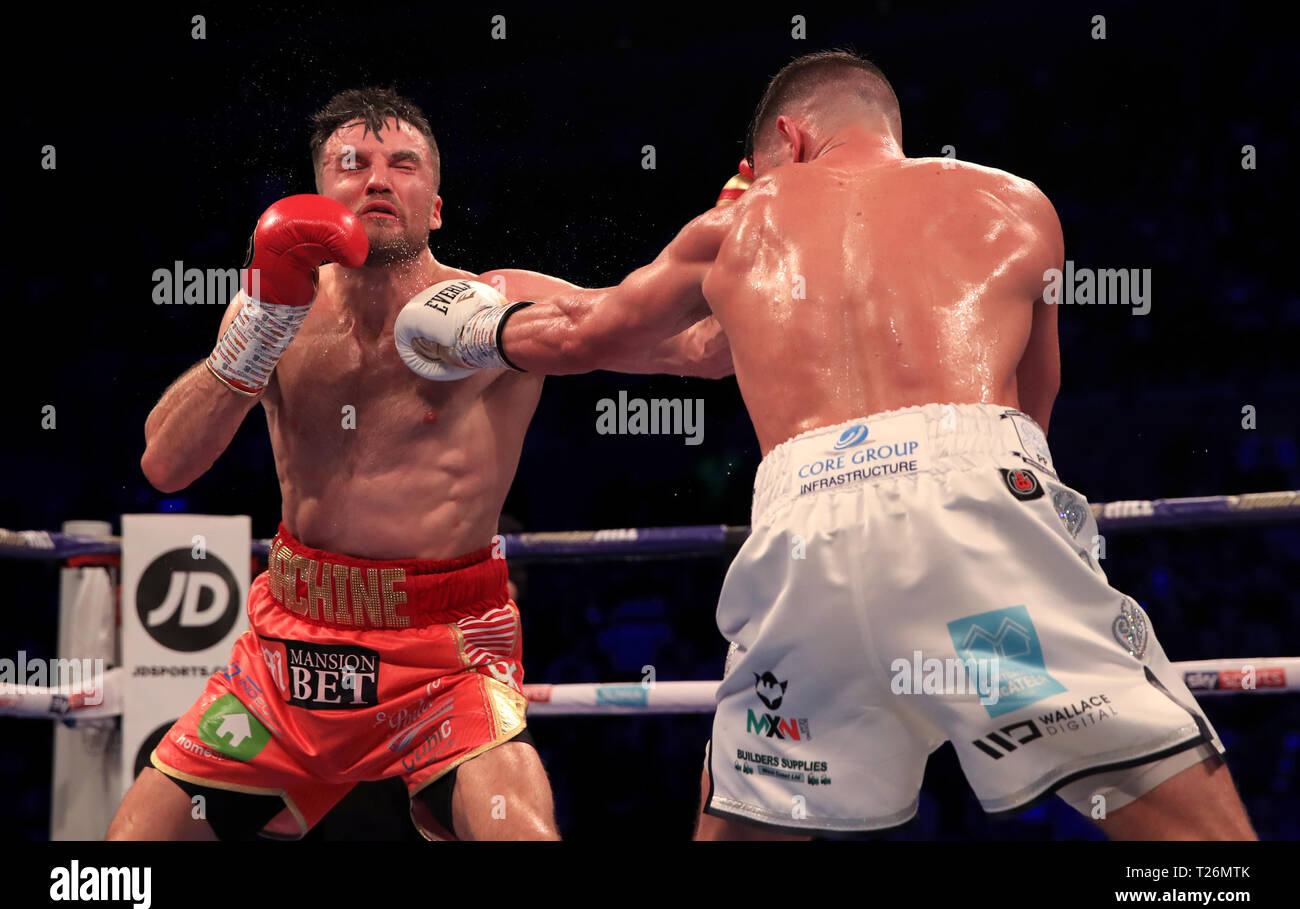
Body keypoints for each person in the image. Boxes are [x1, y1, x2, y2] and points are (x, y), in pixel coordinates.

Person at [400, 51, 1257, 841]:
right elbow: (1037, 411)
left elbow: (584, 337)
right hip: (982, 531)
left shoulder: (736, 225)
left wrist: (467, 315)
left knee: (746, 817)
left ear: (787, 137)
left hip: (806, 534)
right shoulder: (1015, 202)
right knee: (1192, 835)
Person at [107, 87, 728, 842]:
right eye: (352, 163)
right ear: (318, 193)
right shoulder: (271, 310)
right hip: (290, 646)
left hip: (449, 654)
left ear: (434, 204)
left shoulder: (501, 304)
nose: (377, 178)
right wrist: (256, 333)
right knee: (123, 861)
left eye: (402, 164)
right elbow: (165, 465)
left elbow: (702, 353)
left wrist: (747, 235)